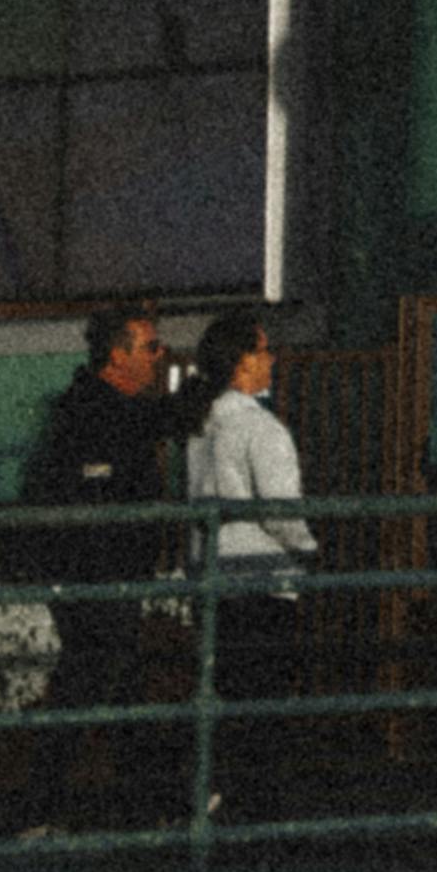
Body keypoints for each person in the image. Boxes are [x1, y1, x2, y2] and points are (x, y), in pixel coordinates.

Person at [22, 304, 190, 817]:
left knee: (113, 682)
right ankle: (51, 802)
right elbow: (162, 421)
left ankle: (139, 798)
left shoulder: (92, 406)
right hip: (99, 570)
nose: (159, 357)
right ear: (118, 355)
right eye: (151, 347)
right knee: (95, 681)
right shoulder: (101, 410)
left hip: (106, 569)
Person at [183, 309, 317, 804]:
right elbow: (281, 510)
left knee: (224, 695)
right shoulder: (263, 429)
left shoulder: (201, 424)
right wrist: (306, 549)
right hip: (260, 577)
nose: (271, 358)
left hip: (208, 571)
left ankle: (215, 796)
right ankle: (255, 806)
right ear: (241, 364)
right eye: (262, 350)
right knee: (263, 701)